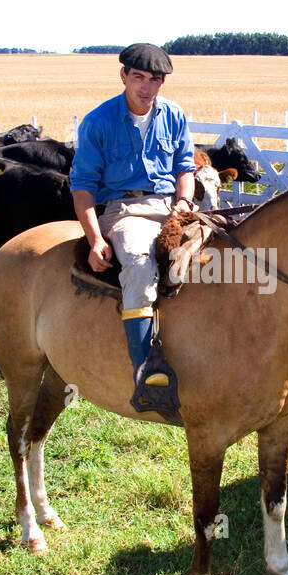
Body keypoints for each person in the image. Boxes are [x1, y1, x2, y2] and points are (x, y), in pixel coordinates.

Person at [70, 42, 197, 409]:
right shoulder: (99, 121)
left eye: (154, 80)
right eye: (138, 77)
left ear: (163, 83)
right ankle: (146, 371)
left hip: (169, 205)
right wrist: (95, 239)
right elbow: (82, 187)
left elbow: (184, 168)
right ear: (123, 75)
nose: (146, 86)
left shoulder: (173, 115)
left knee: (222, 253)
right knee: (141, 265)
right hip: (123, 209)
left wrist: (184, 203)